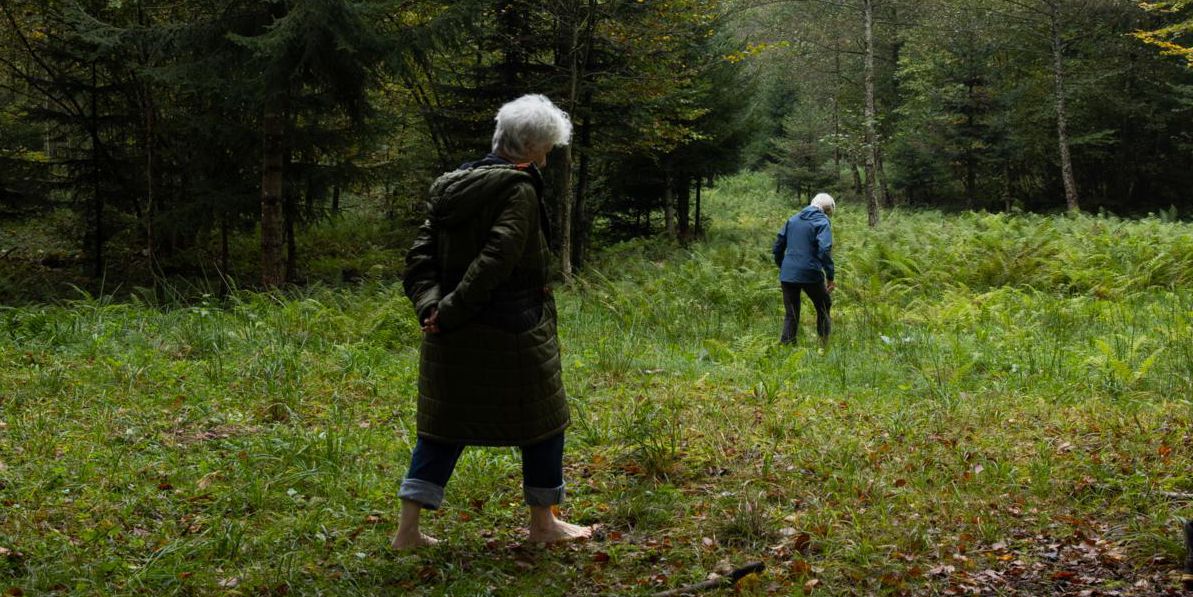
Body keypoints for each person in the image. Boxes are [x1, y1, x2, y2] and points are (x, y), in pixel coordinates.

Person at [392, 94, 593, 550]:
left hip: (450, 331)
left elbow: (419, 256)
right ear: (531, 148)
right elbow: (497, 258)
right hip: (514, 330)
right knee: (544, 425)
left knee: (443, 428)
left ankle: (407, 532)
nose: (546, 159)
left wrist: (432, 309)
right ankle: (544, 525)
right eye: (546, 150)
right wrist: (449, 311)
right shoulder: (519, 188)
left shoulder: (450, 185)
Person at [772, 193, 836, 345]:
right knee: (824, 305)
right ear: (828, 210)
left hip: (788, 274)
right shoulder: (822, 221)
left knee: (791, 314)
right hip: (810, 273)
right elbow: (824, 250)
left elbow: (777, 246)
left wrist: (784, 266)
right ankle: (823, 343)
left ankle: (787, 346)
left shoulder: (793, 219)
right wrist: (830, 276)